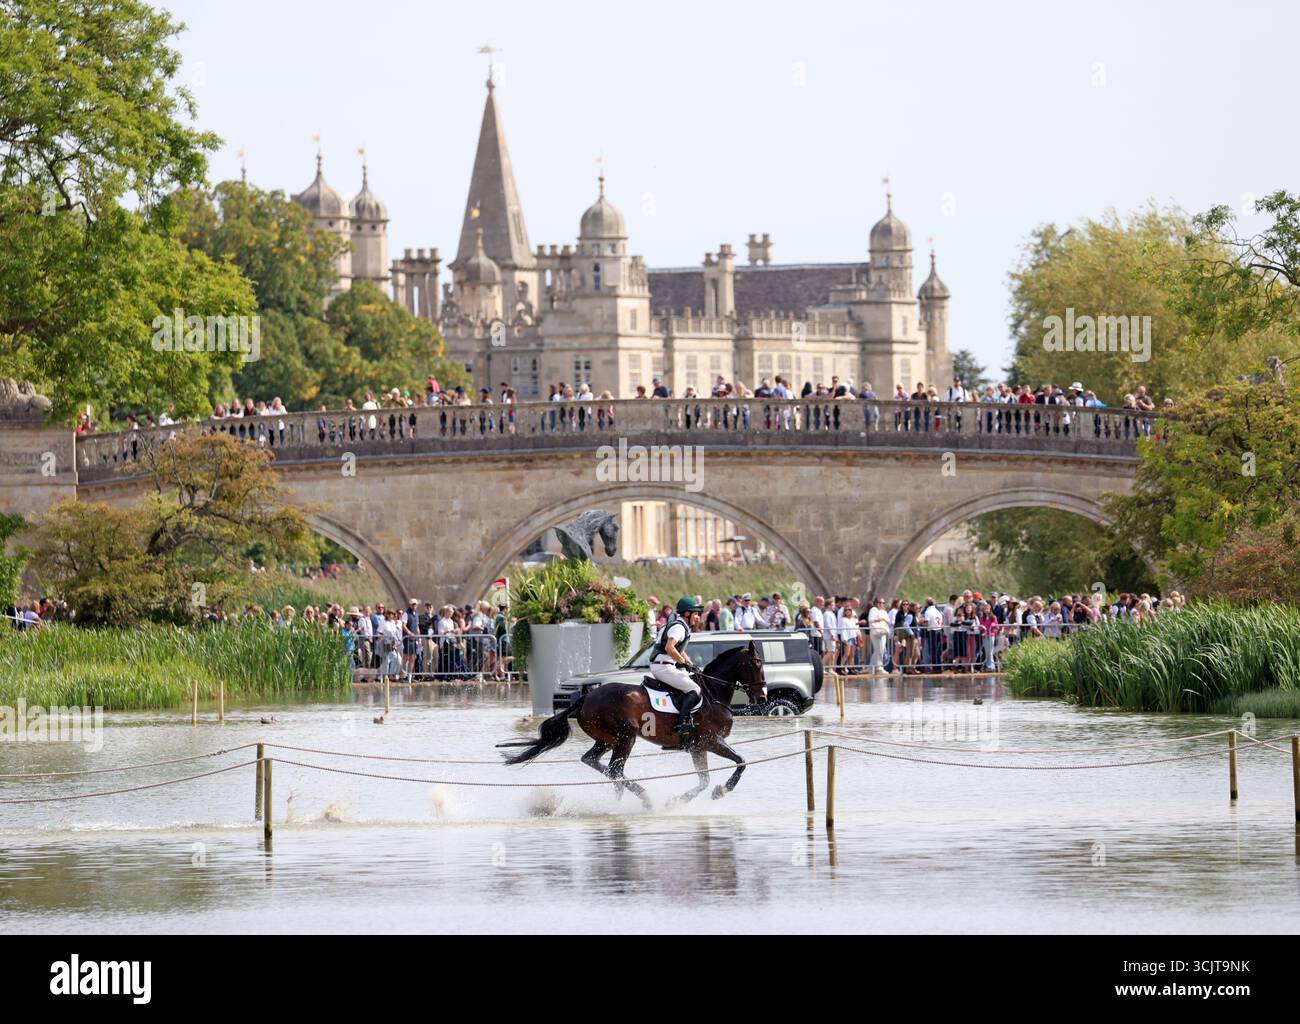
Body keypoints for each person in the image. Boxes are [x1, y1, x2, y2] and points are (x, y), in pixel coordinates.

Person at [649, 597, 706, 737]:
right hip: (663, 667)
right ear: (687, 614)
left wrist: (691, 664)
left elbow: (680, 650)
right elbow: (670, 647)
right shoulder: (679, 628)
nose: (697, 617)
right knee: (695, 688)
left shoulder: (679, 626)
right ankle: (682, 724)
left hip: (663, 665)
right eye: (696, 614)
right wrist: (684, 663)